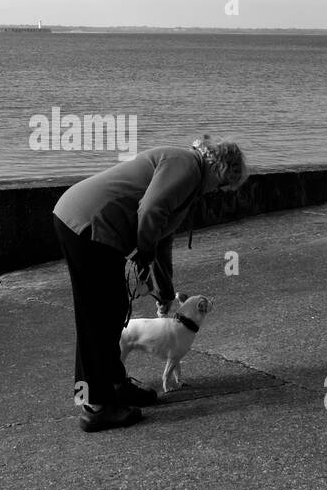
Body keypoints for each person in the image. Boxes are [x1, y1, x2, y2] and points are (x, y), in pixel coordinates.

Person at [52, 135, 249, 432]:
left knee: (113, 308)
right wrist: (143, 253)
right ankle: (95, 405)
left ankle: (114, 385)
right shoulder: (187, 166)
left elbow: (162, 237)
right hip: (88, 224)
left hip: (88, 222)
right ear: (221, 170)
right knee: (97, 316)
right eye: (222, 186)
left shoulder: (188, 177)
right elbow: (151, 210)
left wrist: (164, 291)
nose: (215, 192)